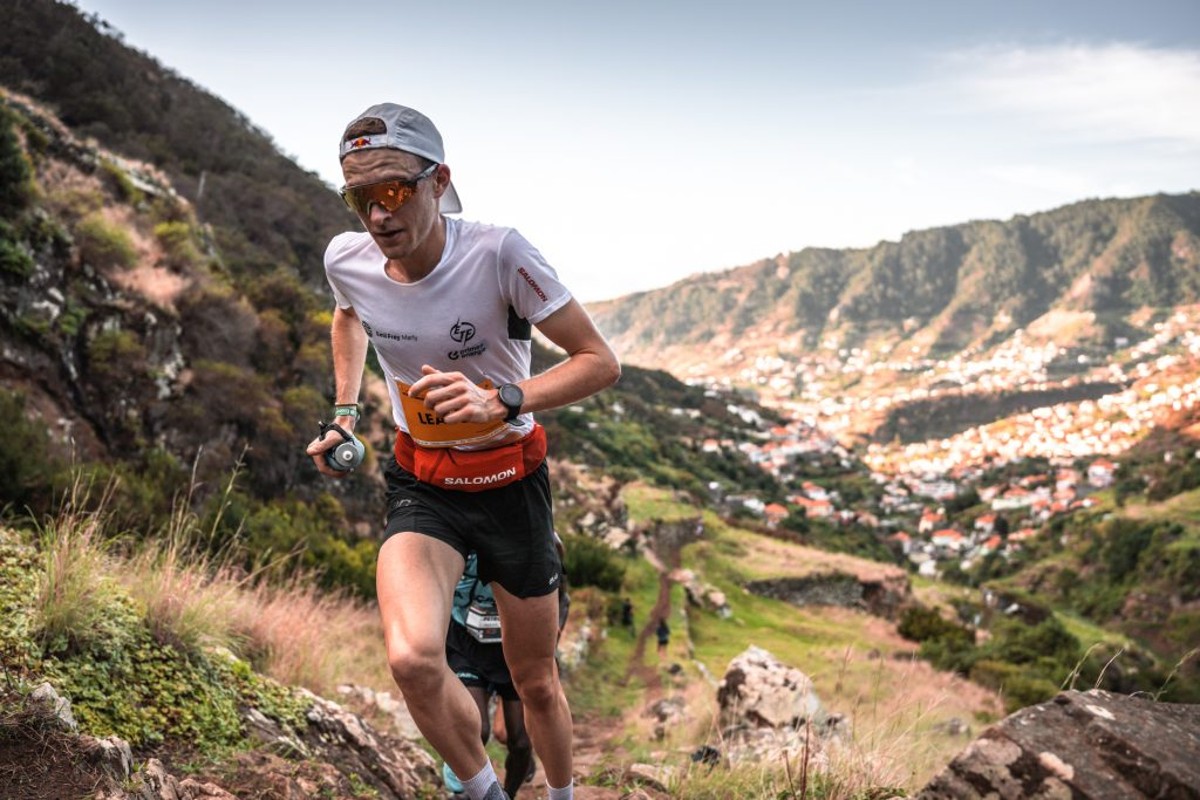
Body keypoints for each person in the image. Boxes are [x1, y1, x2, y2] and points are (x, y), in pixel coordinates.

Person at [306, 103, 620, 800]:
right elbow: (349, 313)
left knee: (535, 682)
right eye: (359, 197)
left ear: (438, 180)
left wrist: (503, 398)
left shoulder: (498, 251)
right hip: (426, 484)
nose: (377, 214)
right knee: (413, 659)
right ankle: (481, 794)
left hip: (512, 483)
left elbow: (599, 361)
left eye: (393, 191)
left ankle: (562, 795)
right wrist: (347, 412)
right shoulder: (347, 259)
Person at [443, 546, 571, 799]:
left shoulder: (538, 541)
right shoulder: (462, 537)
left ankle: (507, 794)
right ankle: (462, 790)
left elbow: (559, 596)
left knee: (520, 742)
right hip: (467, 644)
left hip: (514, 649)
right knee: (477, 729)